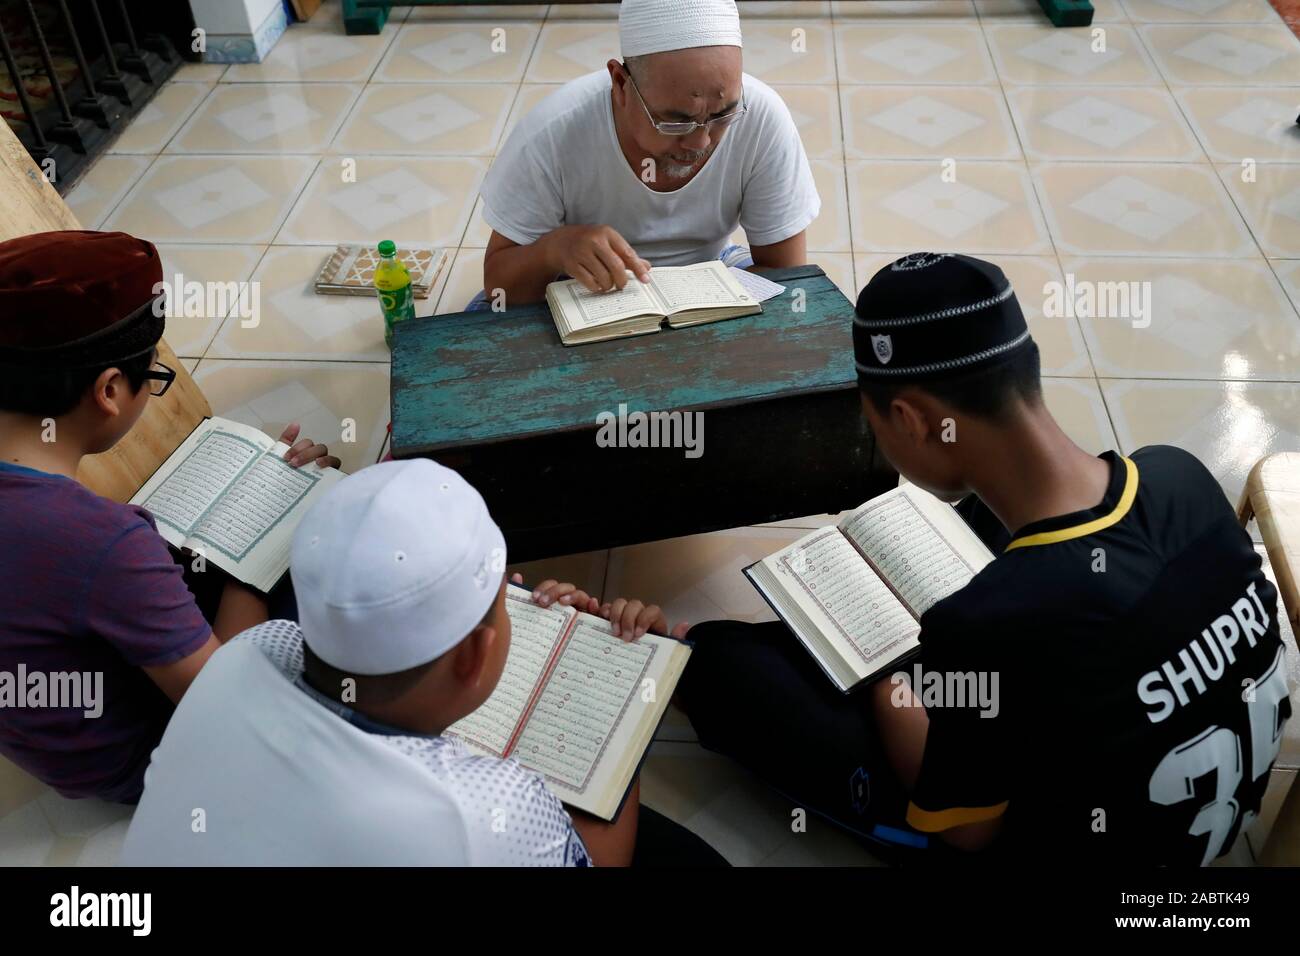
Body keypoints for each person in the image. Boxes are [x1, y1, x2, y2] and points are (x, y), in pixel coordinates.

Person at [676, 252, 1292, 865]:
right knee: (975, 515)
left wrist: (888, 681)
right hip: (1203, 821)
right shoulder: (1178, 471)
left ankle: (702, 654)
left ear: (911, 421)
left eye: (874, 427)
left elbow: (967, 834)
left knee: (723, 671)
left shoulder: (987, 622)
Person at [121, 459, 727, 866]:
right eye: (504, 603)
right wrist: (626, 698)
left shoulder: (246, 653)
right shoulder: (478, 816)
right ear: (477, 654)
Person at [0, 230, 338, 803]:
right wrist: (251, 560)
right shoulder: (101, 541)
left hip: (61, 743)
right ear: (109, 390)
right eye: (153, 380)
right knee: (330, 560)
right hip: (153, 761)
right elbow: (229, 709)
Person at [471, 0, 819, 309]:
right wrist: (554, 250)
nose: (701, 142)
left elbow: (785, 274)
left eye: (721, 116)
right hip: (580, 287)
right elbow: (500, 289)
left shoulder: (761, 117)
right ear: (620, 84)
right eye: (675, 121)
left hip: (714, 272)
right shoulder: (553, 133)